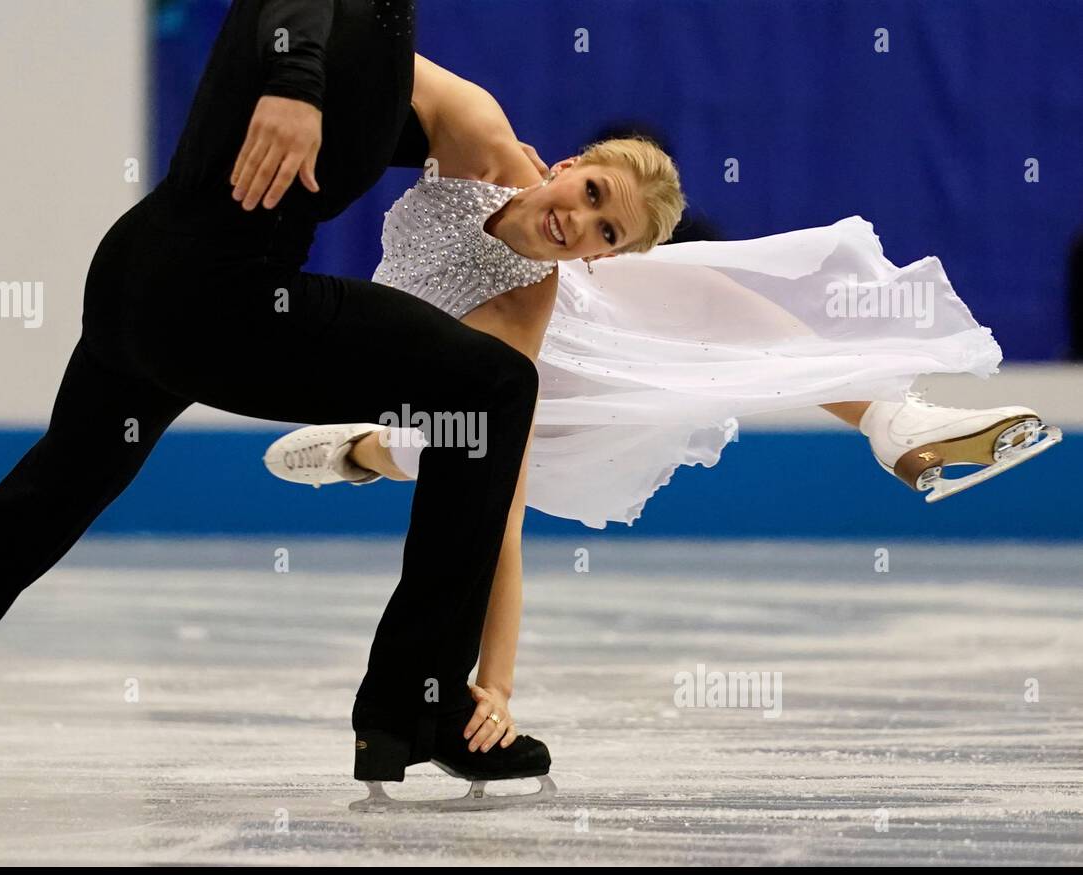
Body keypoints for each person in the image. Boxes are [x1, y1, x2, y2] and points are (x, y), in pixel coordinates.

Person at [0, 1, 553, 805]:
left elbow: (365, 122)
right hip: (223, 297)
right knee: (495, 386)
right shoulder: (334, 26)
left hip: (147, 279)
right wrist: (295, 85)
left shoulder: (388, 57)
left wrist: (476, 162)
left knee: (43, 500)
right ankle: (415, 705)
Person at [263, 54, 1063, 750]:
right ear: (568, 163)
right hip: (425, 365)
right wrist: (287, 80)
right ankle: (355, 451)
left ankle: (896, 420)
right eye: (592, 193)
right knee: (421, 447)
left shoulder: (523, 318)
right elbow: (388, 56)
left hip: (561, 356)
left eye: (607, 233)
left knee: (701, 302)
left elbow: (497, 514)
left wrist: (496, 683)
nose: (579, 223)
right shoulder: (483, 138)